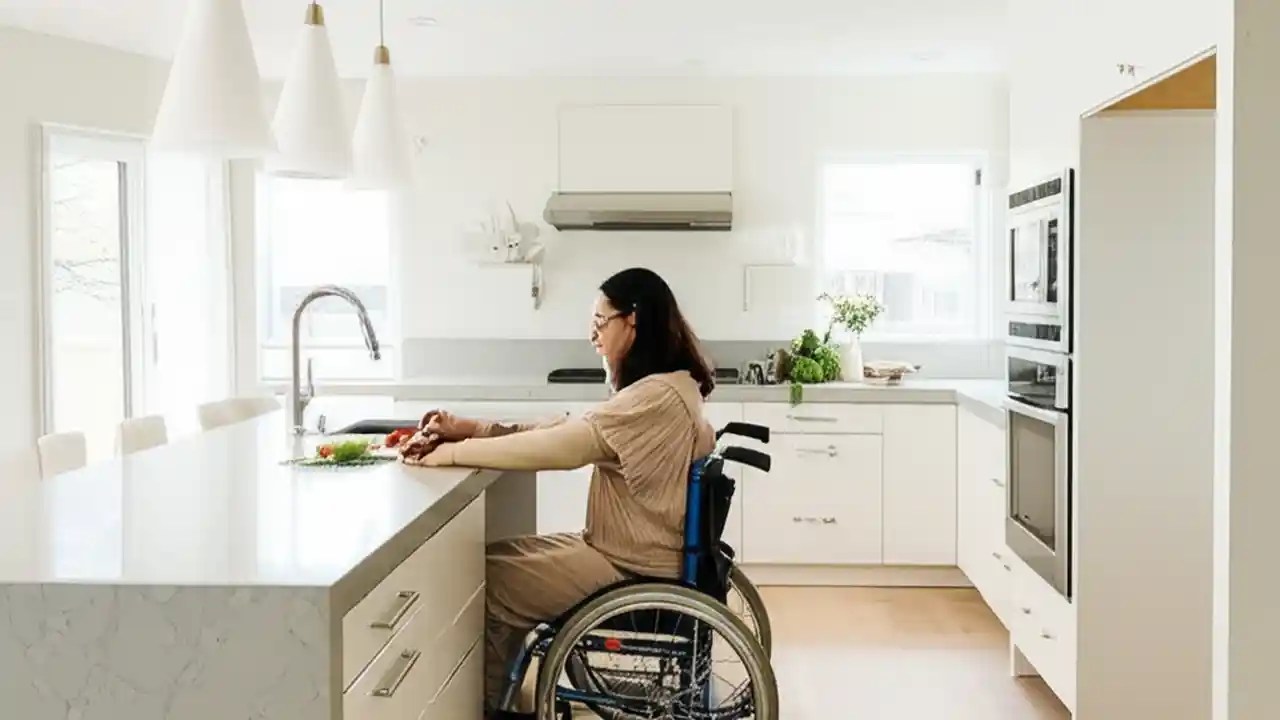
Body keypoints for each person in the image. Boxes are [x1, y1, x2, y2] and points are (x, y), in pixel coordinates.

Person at [402, 267, 717, 720]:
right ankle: (499, 695)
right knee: (487, 560)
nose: (593, 336)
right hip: (628, 551)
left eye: (599, 322)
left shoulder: (655, 398)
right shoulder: (667, 387)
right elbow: (572, 431)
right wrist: (471, 430)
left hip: (628, 566)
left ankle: (488, 707)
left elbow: (565, 447)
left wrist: (453, 454)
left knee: (479, 583)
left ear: (633, 320)